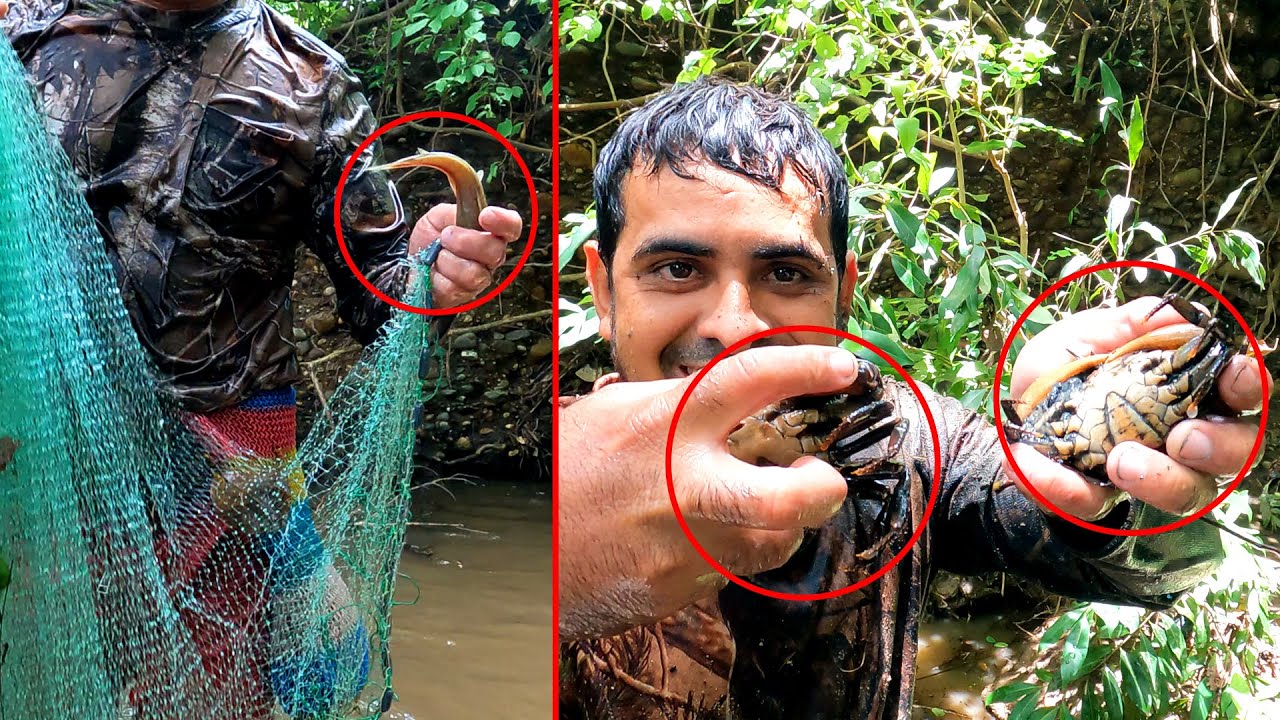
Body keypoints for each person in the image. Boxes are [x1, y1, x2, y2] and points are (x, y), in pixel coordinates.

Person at [558, 76, 1269, 718]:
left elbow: (1169, 570)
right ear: (604, 291)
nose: (735, 326)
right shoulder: (552, 477)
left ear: (843, 295)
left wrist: (1108, 451)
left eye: (786, 274)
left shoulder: (902, 447)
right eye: (678, 269)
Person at [1, 0, 521, 716]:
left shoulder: (309, 83)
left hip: (224, 477)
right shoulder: (21, 36)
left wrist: (437, 269)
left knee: (209, 691)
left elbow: (382, 299)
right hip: (40, 459)